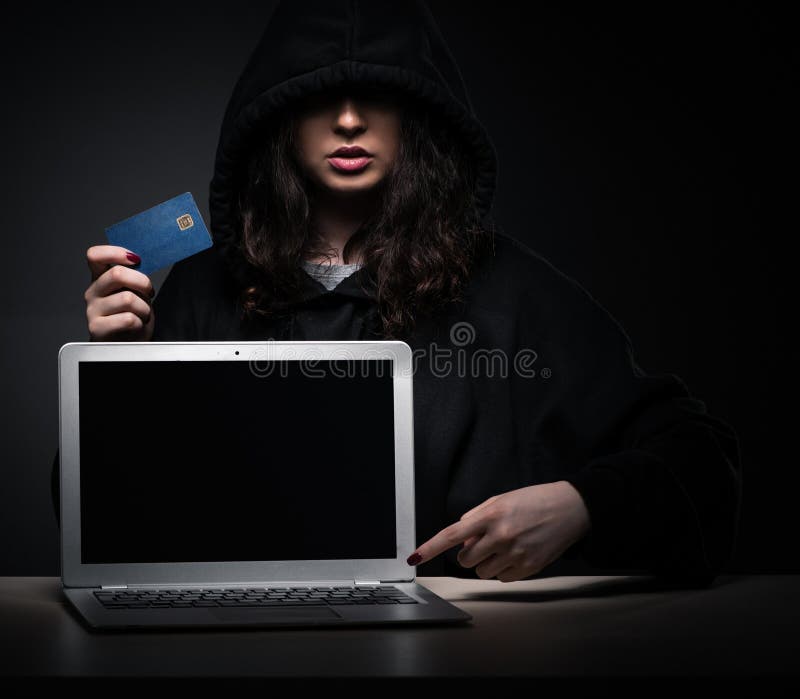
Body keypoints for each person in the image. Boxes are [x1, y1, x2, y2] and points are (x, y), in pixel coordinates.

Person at [52, 0, 742, 585]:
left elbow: (700, 457)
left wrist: (584, 502)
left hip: (467, 658)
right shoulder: (200, 289)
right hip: (240, 646)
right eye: (320, 94)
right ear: (277, 116)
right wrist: (116, 377)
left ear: (419, 114)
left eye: (375, 94)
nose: (348, 119)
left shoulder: (512, 289)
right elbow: (110, 532)